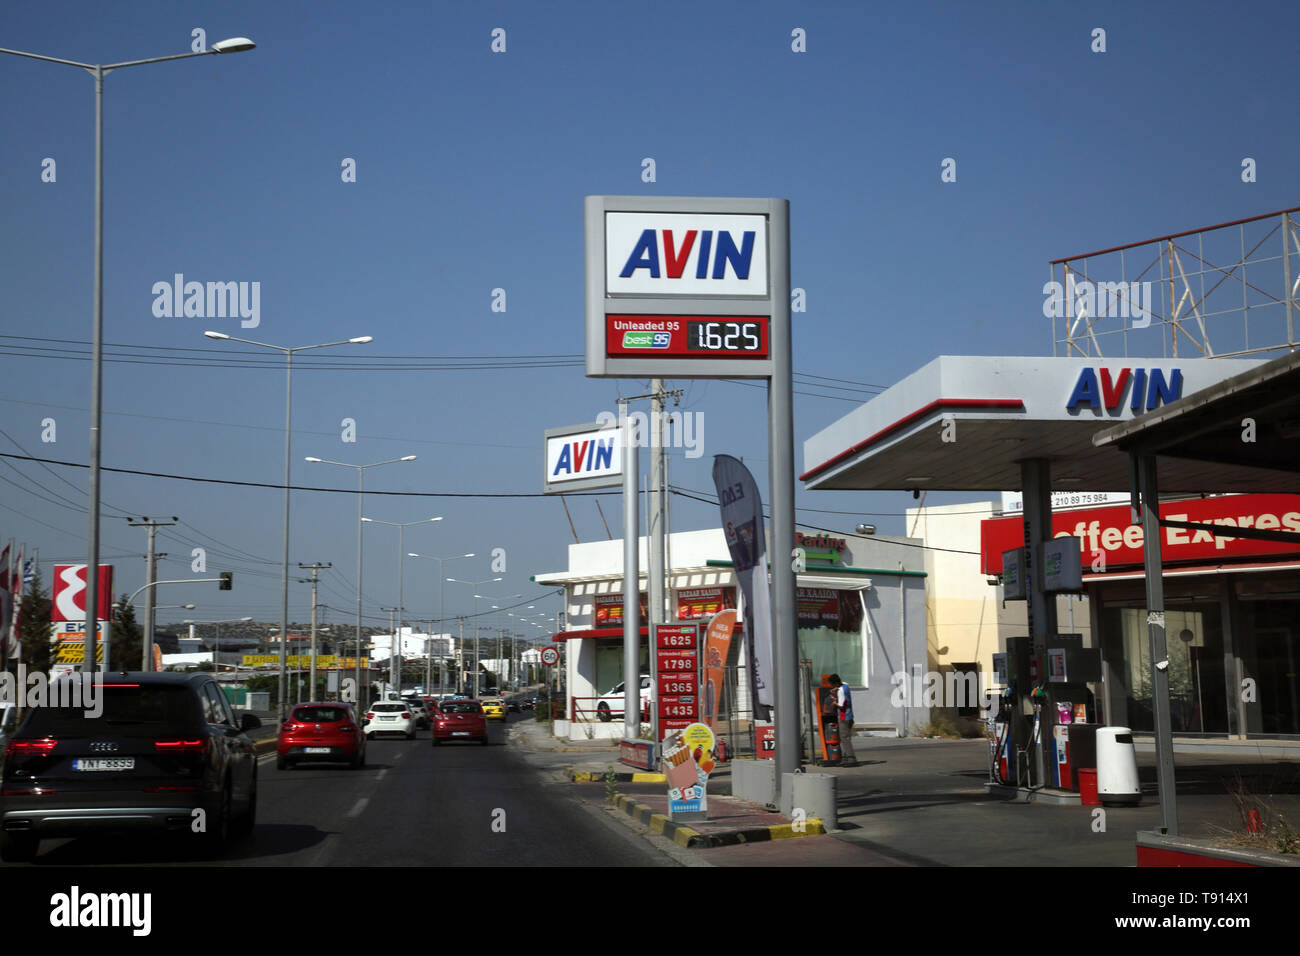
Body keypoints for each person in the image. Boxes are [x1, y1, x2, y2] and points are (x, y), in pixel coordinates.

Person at [830, 674, 856, 767]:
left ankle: (851, 758)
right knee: (846, 738)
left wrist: (834, 703)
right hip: (850, 716)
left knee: (844, 738)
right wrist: (834, 690)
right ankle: (846, 758)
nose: (832, 687)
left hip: (843, 717)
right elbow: (843, 684)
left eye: (832, 685)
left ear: (836, 683)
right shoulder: (845, 685)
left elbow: (841, 705)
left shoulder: (841, 691)